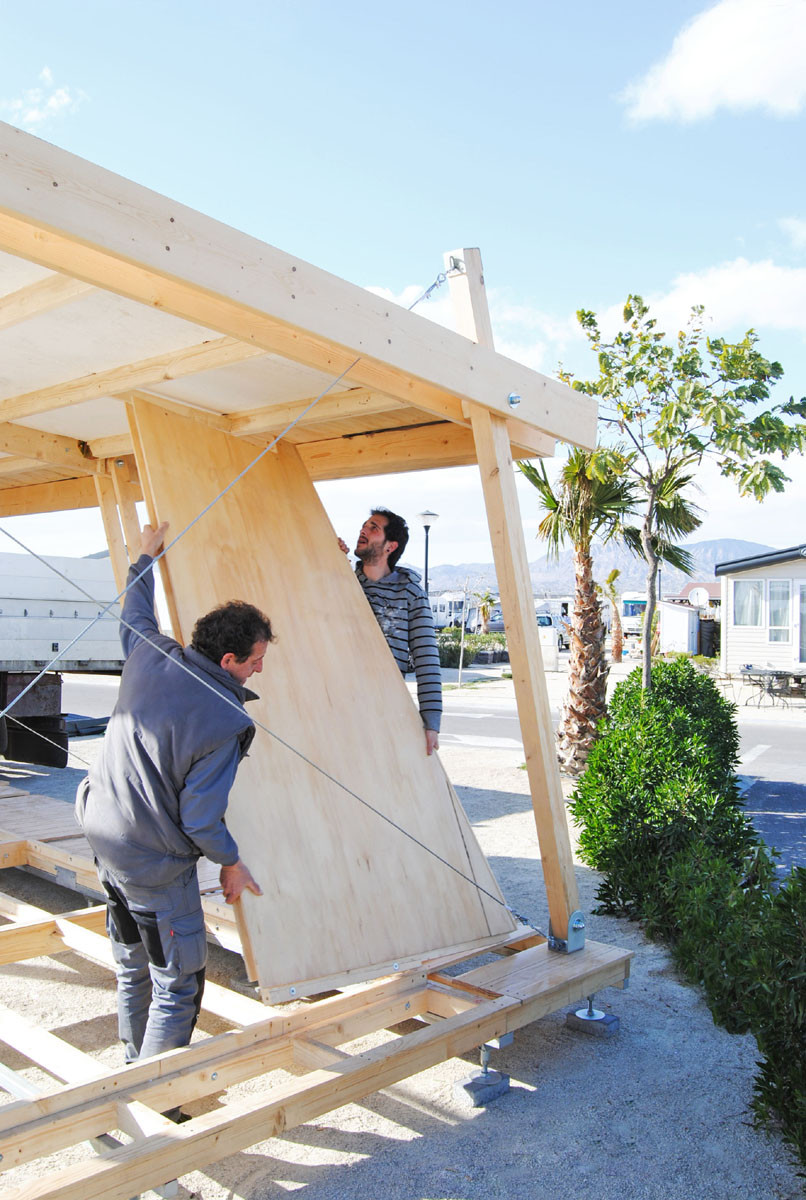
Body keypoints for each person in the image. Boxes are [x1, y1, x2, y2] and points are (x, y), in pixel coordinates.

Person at [76, 521, 270, 1067]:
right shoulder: (224, 719)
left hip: (102, 833)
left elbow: (135, 612)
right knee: (179, 984)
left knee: (134, 965)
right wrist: (230, 863)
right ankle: (157, 1106)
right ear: (229, 661)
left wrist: (145, 557)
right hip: (153, 863)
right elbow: (201, 820)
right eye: (255, 658)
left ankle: (133, 1067)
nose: (261, 667)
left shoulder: (148, 653)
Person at [339, 508, 441, 754]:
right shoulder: (343, 582)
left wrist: (431, 722)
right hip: (339, 704)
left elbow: (426, 658)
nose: (364, 530)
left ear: (390, 546)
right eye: (365, 525)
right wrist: (331, 560)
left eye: (374, 527)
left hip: (385, 708)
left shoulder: (410, 593)